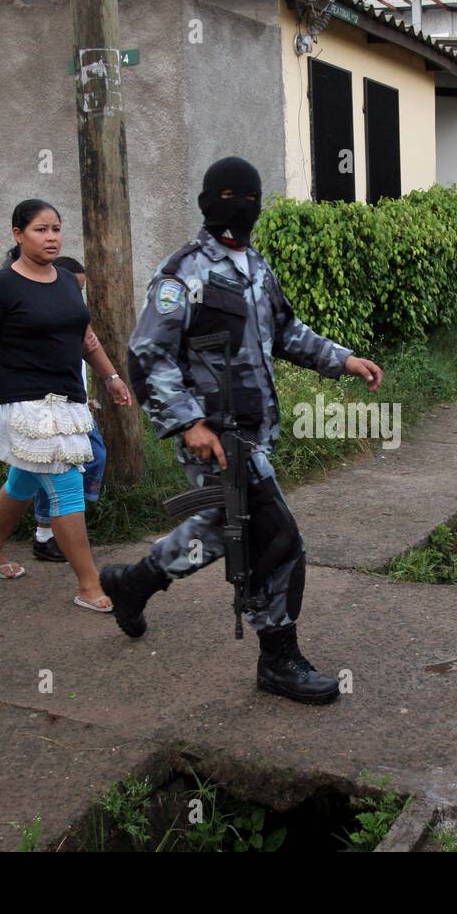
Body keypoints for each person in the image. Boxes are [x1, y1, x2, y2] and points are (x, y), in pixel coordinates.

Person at [100, 156, 383, 705]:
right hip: (218, 438)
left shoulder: (255, 267)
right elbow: (148, 354)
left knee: (220, 529)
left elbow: (287, 332)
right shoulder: (181, 272)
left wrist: (343, 359)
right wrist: (189, 424)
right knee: (277, 539)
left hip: (256, 433)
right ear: (207, 201)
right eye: (226, 195)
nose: (238, 206)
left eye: (247, 196)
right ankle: (278, 659)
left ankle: (131, 584)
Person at [0, 199, 133, 612]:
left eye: (56, 228)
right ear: (17, 234)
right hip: (22, 402)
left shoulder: (65, 282)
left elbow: (85, 337)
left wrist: (110, 377)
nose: (51, 237)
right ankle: (89, 585)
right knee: (65, 484)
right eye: (41, 229)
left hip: (67, 399)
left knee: (24, 478)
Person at [30, 256, 109, 564]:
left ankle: (61, 529)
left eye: (81, 289)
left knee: (90, 458)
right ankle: (45, 534)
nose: (76, 295)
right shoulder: (44, 320)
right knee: (46, 470)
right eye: (73, 287)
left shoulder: (75, 320)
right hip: (50, 408)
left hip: (76, 405)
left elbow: (84, 358)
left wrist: (106, 384)